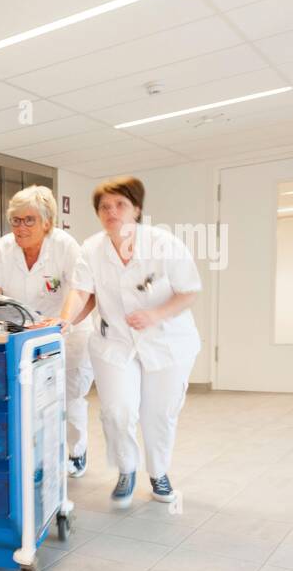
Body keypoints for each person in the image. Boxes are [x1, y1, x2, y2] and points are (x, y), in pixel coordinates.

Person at [55, 176, 200, 509]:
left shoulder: (164, 244)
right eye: (104, 206)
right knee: (118, 410)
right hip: (114, 342)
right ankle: (126, 468)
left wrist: (155, 315)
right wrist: (64, 321)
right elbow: (81, 292)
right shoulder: (92, 249)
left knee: (158, 414)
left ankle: (159, 472)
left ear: (136, 208)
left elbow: (188, 290)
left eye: (120, 204)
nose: (111, 211)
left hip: (167, 342)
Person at [0, 185, 94, 476]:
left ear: (47, 222)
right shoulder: (2, 248)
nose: (20, 227)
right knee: (30, 396)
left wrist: (64, 321)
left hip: (70, 330)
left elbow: (82, 290)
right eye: (15, 220)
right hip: (26, 333)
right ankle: (37, 456)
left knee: (69, 395)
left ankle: (76, 451)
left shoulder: (65, 245)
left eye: (29, 220)